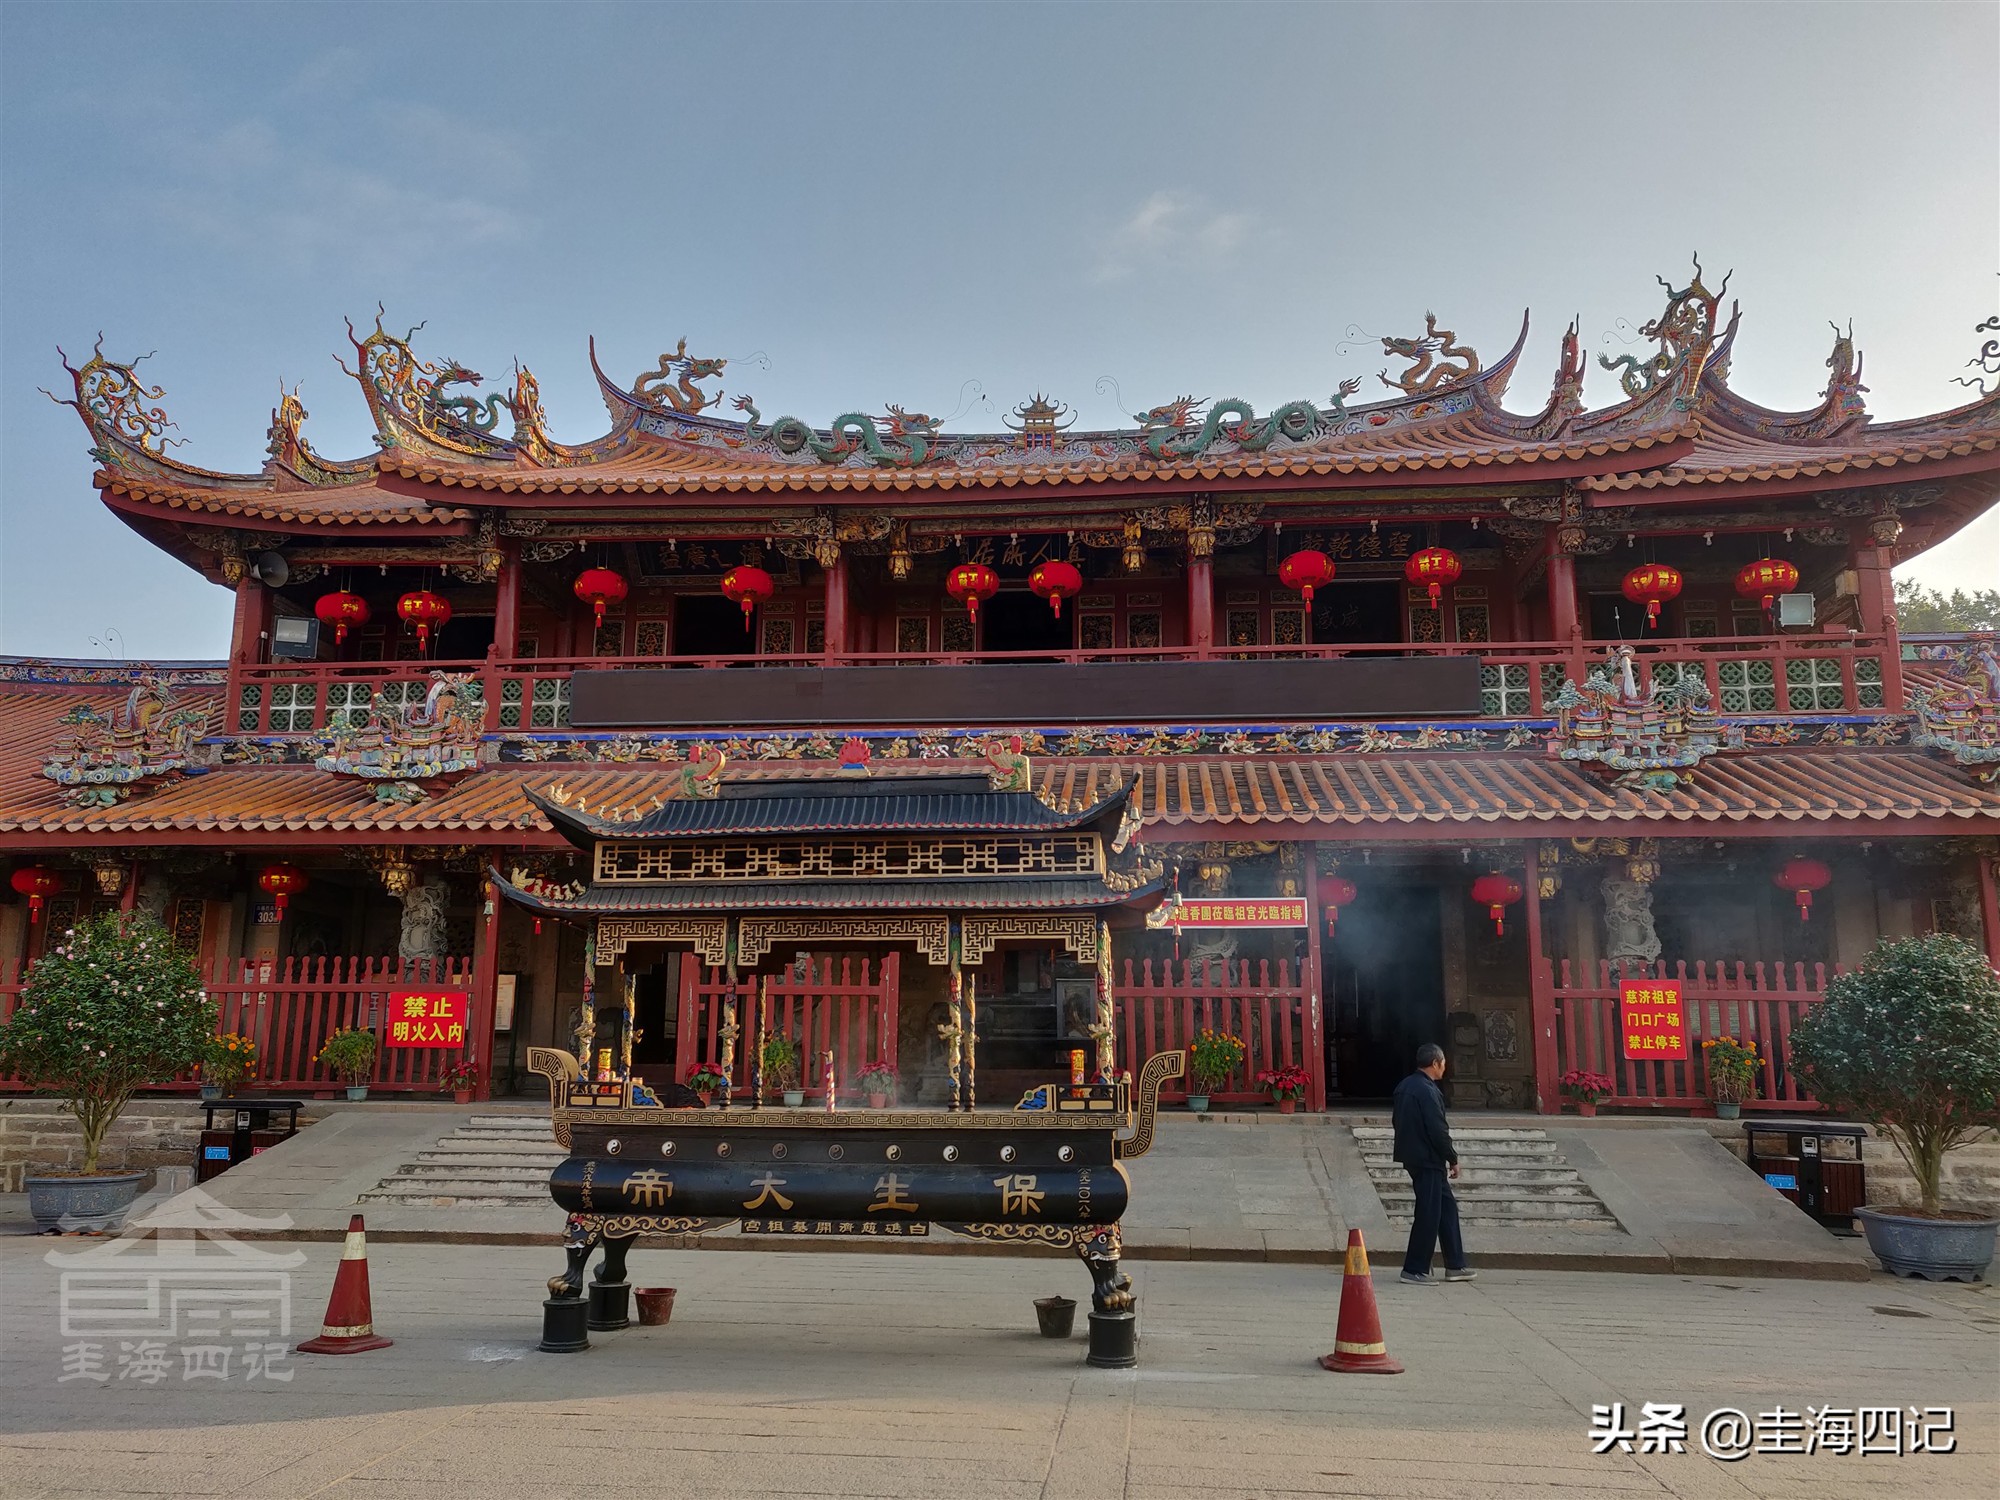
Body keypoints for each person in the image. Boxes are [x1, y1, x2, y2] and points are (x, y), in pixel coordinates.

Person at [1391, 1042, 1476, 1285]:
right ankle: (1414, 1268)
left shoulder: (1404, 1086)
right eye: (1444, 1063)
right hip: (1427, 1158)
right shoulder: (1427, 1091)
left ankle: (1455, 1264)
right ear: (1435, 1063)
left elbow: (1397, 1121)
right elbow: (1438, 1129)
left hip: (1413, 1155)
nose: (1444, 1068)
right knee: (1428, 1213)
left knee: (1446, 1209)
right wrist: (1452, 1157)